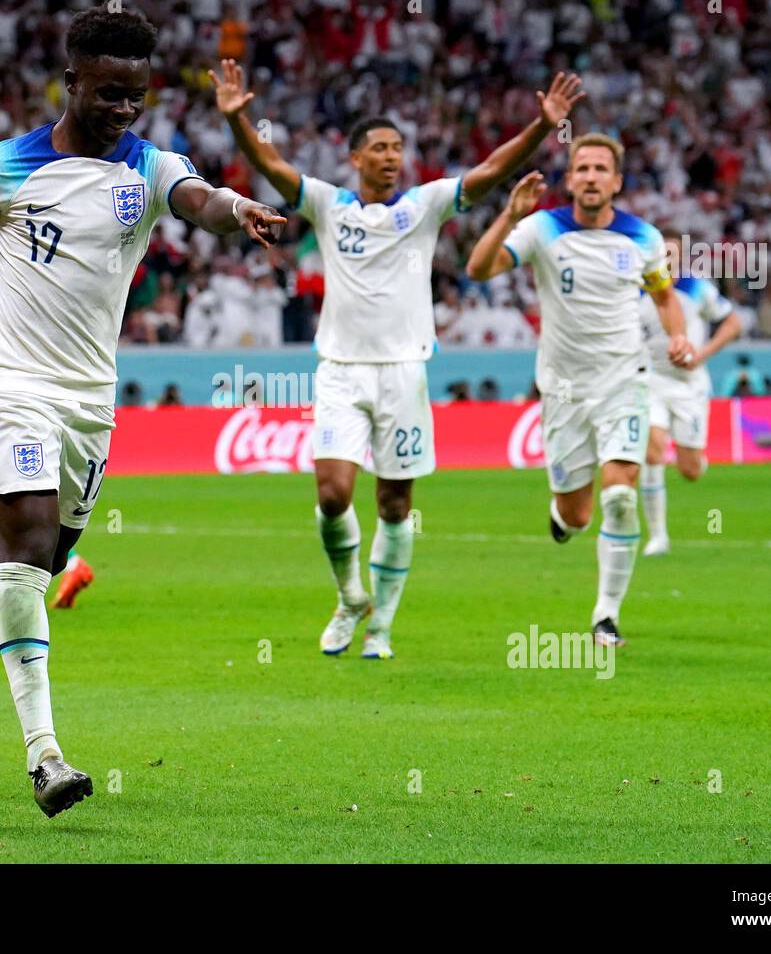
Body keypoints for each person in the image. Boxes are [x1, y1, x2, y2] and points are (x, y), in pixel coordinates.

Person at [0, 8, 284, 820]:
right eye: (109, 92)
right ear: (72, 81)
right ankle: (44, 756)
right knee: (25, 546)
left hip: (91, 399)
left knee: (40, 560)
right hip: (12, 382)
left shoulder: (151, 168)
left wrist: (240, 209)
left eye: (137, 95)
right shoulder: (1, 168)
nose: (124, 108)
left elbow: (198, 200)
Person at [210, 57, 585, 660]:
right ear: (355, 157)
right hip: (339, 368)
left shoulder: (428, 204)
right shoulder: (330, 205)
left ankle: (380, 626)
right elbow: (271, 165)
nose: (392, 156)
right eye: (380, 148)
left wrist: (542, 127)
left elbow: (490, 170)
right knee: (332, 494)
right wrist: (239, 122)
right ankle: (350, 595)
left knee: (395, 505)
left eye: (397, 148)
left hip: (405, 372)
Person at [464, 136, 695, 647]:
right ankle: (561, 516)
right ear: (569, 180)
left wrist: (677, 334)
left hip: (623, 380)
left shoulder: (644, 238)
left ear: (616, 181)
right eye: (582, 168)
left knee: (619, 494)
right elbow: (478, 269)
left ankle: (605, 616)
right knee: (579, 514)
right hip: (564, 390)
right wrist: (506, 216)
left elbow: (664, 297)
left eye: (601, 169)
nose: (591, 176)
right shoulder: (541, 227)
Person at [0, 249, 98, 610]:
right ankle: (66, 561)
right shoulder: (61, 247)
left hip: (11, 389)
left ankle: (65, 564)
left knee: (18, 492)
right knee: (45, 493)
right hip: (74, 388)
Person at [638, 228, 743, 556]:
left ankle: (696, 458)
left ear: (681, 257)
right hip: (651, 381)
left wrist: (702, 355)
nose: (667, 260)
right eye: (662, 254)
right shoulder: (635, 291)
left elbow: (733, 323)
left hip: (690, 385)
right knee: (652, 452)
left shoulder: (697, 288)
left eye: (673, 254)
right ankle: (658, 536)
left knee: (690, 471)